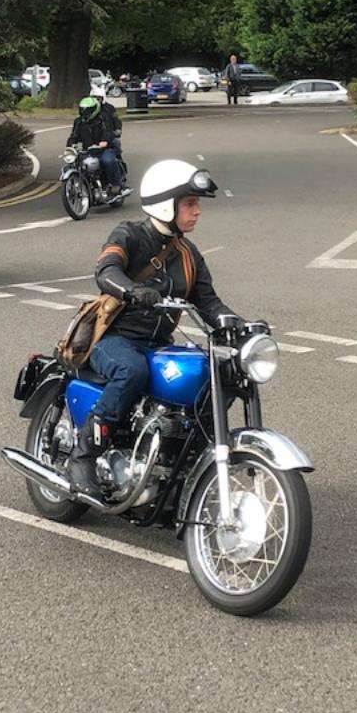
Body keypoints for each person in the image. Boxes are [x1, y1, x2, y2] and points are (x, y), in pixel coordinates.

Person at [67, 159, 243, 498]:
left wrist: (236, 324)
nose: (197, 211)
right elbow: (106, 270)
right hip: (114, 340)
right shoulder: (130, 234)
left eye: (196, 204)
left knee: (216, 372)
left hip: (158, 344)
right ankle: (83, 456)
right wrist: (132, 290)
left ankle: (188, 460)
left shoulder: (189, 254)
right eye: (190, 203)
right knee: (131, 371)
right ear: (166, 204)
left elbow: (208, 302)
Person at [67, 96, 124, 194]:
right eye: (82, 109)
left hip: (105, 148)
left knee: (107, 161)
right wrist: (71, 145)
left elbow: (108, 131)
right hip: (88, 150)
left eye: (87, 110)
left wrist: (104, 141)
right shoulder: (79, 122)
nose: (84, 112)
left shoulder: (103, 118)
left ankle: (116, 184)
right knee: (75, 164)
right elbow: (74, 135)